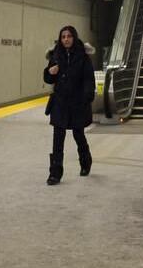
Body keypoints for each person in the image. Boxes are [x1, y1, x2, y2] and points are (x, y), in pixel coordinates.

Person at [44, 25, 96, 185]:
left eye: (69, 36)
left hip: (77, 103)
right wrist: (49, 73)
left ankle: (85, 161)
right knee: (58, 138)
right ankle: (55, 173)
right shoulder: (56, 55)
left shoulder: (82, 57)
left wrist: (87, 97)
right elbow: (48, 78)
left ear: (74, 37)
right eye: (63, 37)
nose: (66, 39)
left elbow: (88, 79)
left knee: (78, 134)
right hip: (60, 103)